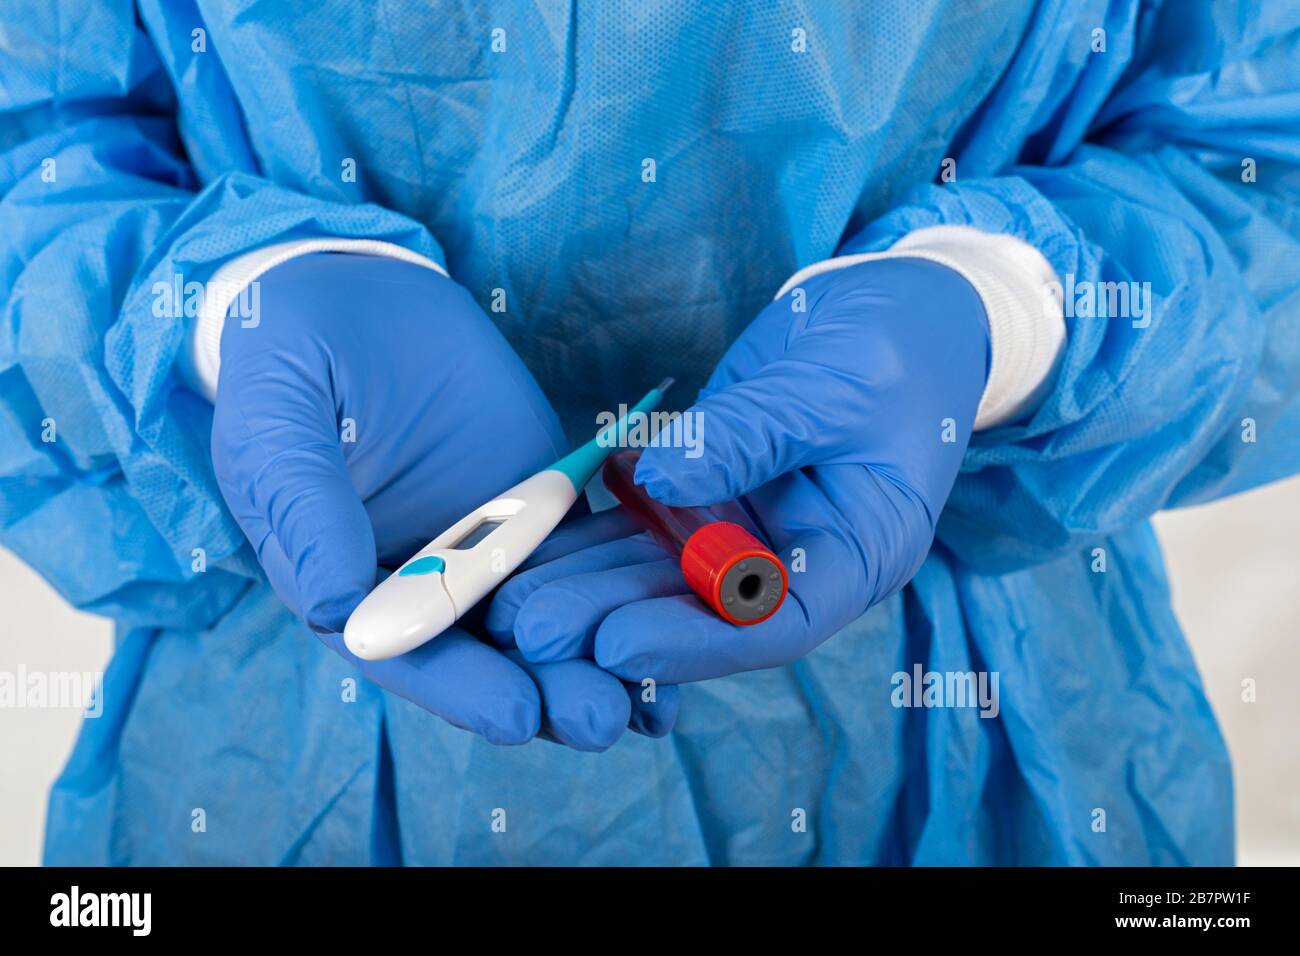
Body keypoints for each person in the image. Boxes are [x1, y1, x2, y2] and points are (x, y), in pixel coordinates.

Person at [3, 0, 1297, 865]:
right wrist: (223, 310)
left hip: (996, 720)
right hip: (272, 752)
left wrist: (1010, 309)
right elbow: (33, 127)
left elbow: (1262, 149)